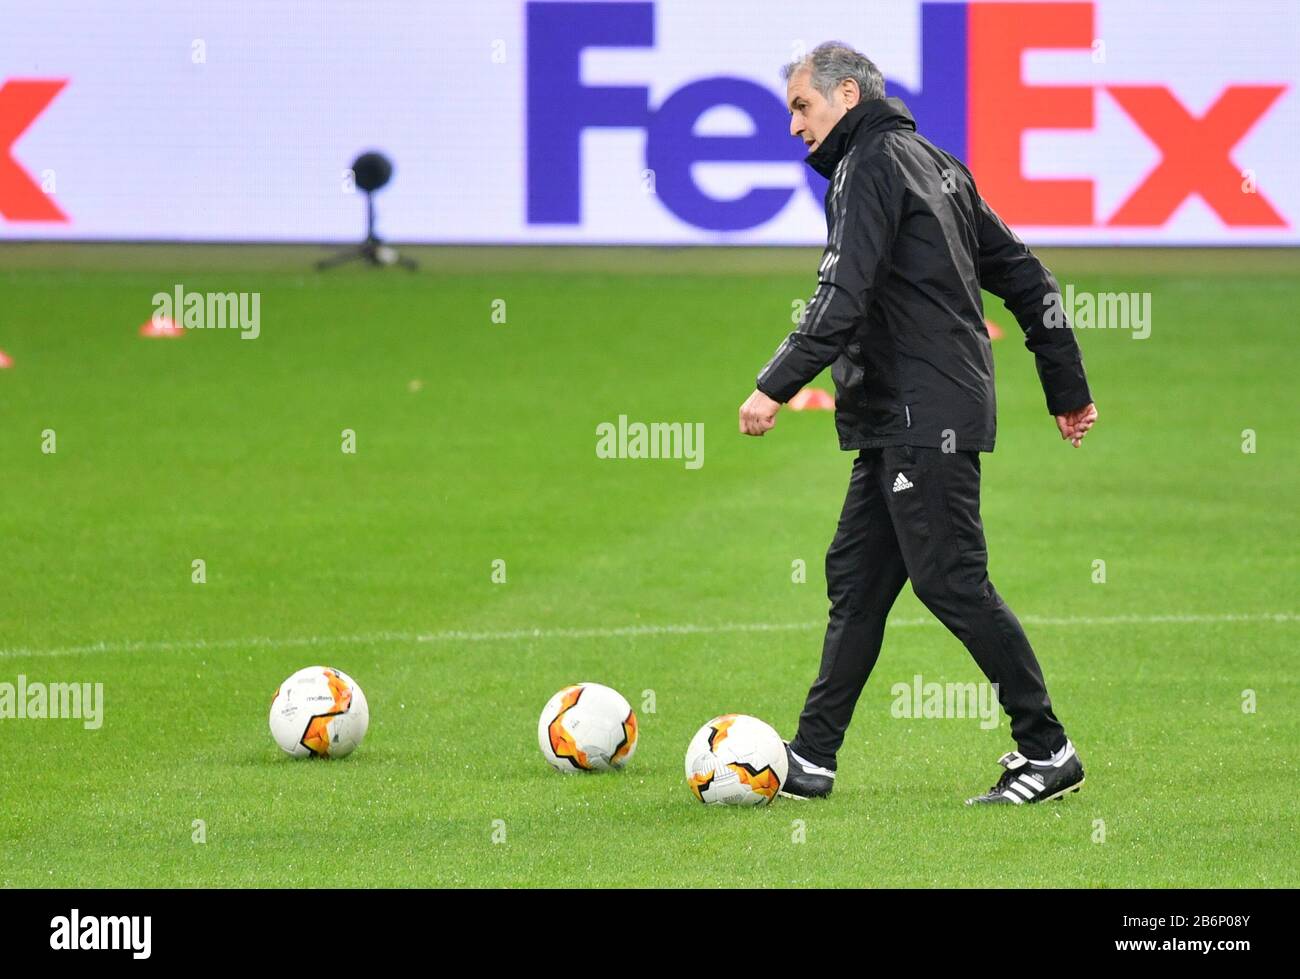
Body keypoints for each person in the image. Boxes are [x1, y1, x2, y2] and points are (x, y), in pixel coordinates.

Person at [738, 42, 1098, 805]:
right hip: (904, 414)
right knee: (859, 582)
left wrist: (774, 386)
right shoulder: (937, 163)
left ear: (844, 96)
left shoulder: (866, 167)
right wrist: (1065, 383)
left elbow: (843, 295)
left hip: (918, 414)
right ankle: (812, 757)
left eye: (801, 107)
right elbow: (1029, 276)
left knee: (951, 578)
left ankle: (1049, 748)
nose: (794, 126)